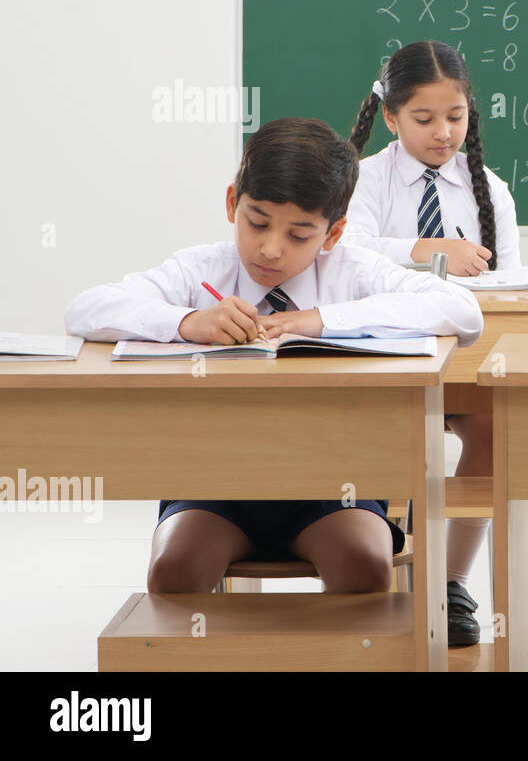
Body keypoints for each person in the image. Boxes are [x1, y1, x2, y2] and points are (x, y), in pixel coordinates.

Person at [65, 117, 482, 596]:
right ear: (231, 204)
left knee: (364, 568)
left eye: (299, 235)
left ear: (333, 233)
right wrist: (186, 323)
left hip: (334, 487)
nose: (270, 249)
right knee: (174, 571)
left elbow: (462, 310)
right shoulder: (201, 269)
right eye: (257, 222)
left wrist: (318, 320)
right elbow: (84, 309)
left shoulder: (352, 271)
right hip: (215, 487)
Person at [343, 40, 519, 645]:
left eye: (456, 117)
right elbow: (342, 248)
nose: (442, 133)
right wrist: (428, 251)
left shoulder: (489, 189)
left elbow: (510, 289)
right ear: (390, 117)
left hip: (464, 356)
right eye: (423, 119)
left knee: (496, 428)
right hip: (377, 358)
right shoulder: (363, 181)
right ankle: (380, 556)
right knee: (394, 430)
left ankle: (446, 580)